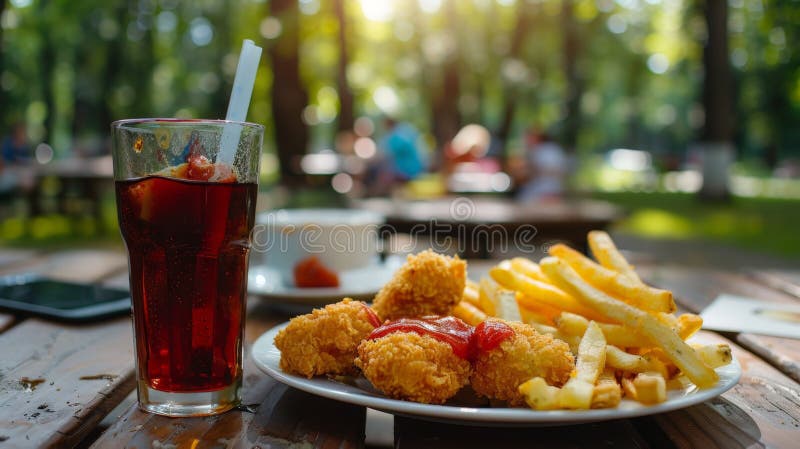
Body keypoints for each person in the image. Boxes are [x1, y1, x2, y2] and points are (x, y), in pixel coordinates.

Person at [517, 129, 567, 202]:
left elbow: (554, 171)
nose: (526, 141)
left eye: (528, 138)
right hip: (551, 191)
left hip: (542, 192)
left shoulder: (541, 150)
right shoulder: (553, 149)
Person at [380, 118, 425, 182]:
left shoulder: (396, 137)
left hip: (408, 171)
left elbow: (386, 154)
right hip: (416, 168)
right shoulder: (405, 131)